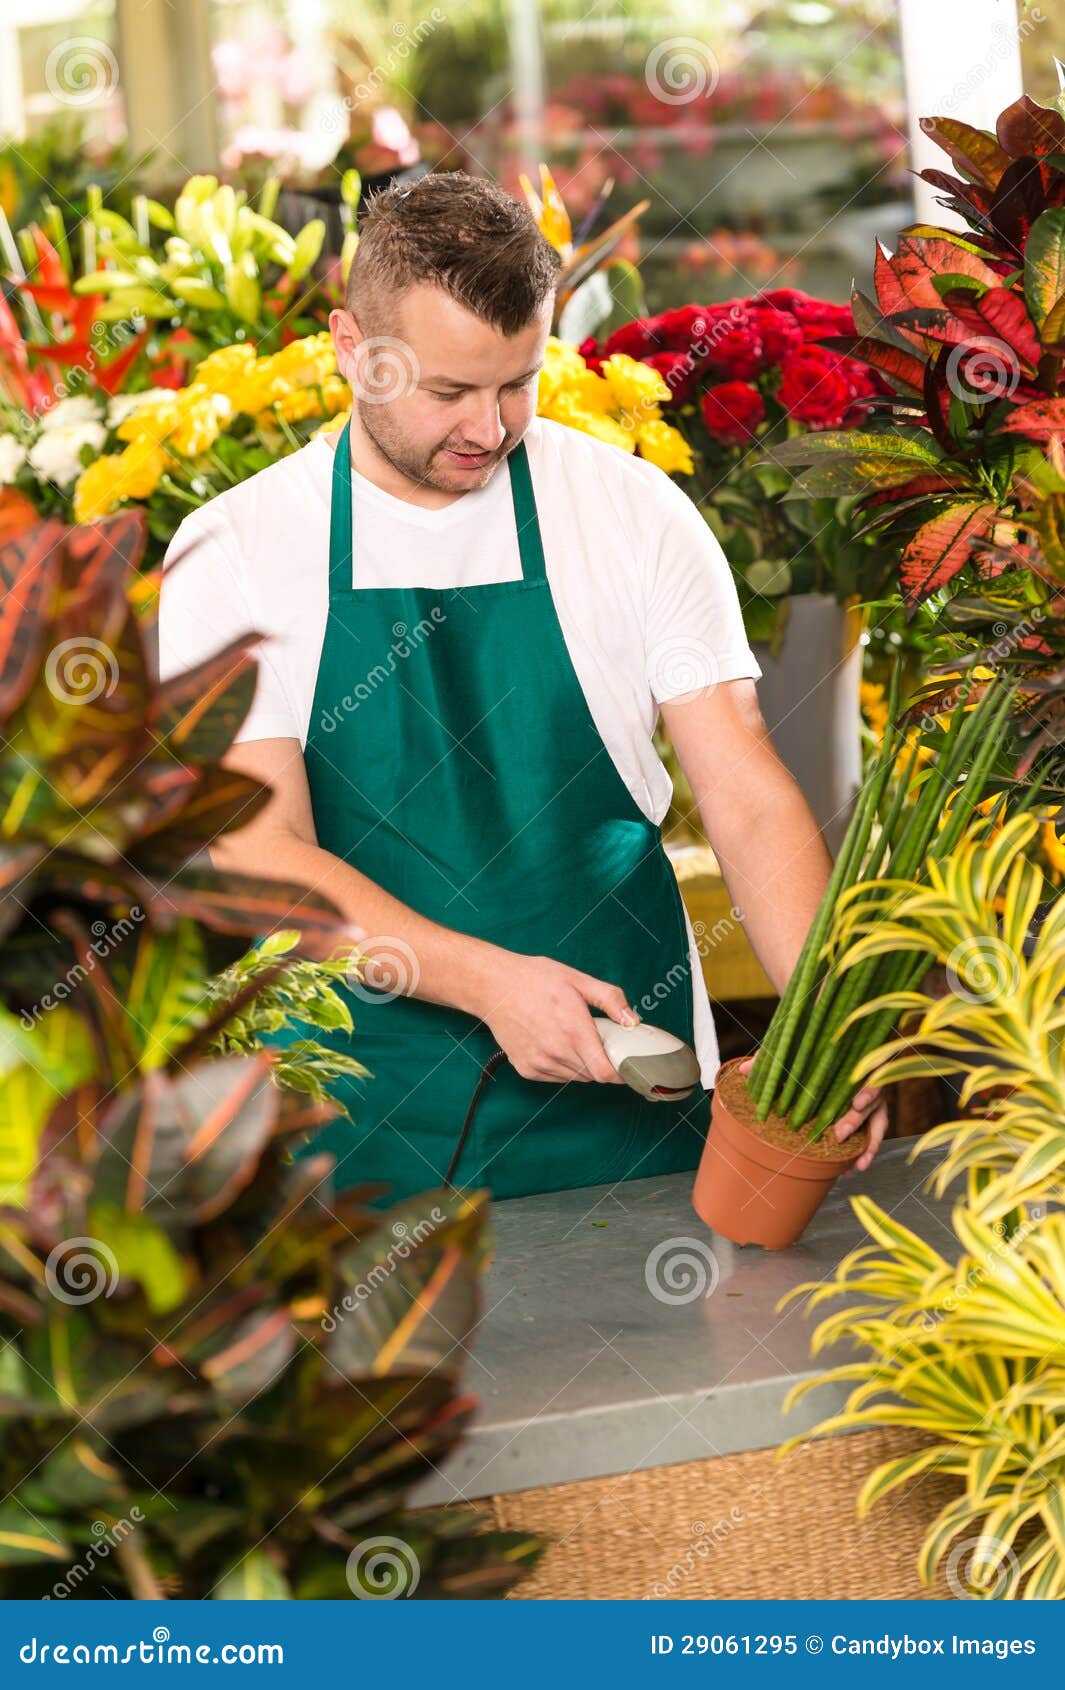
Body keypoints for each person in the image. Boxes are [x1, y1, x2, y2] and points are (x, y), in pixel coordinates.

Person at [159, 170, 887, 1206]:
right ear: (351, 352)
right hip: (360, 1133)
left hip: (627, 1115)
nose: (490, 429)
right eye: (448, 391)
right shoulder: (233, 550)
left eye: (518, 383)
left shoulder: (635, 514)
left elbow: (747, 793)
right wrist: (489, 983)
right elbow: (254, 852)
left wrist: (830, 1031)